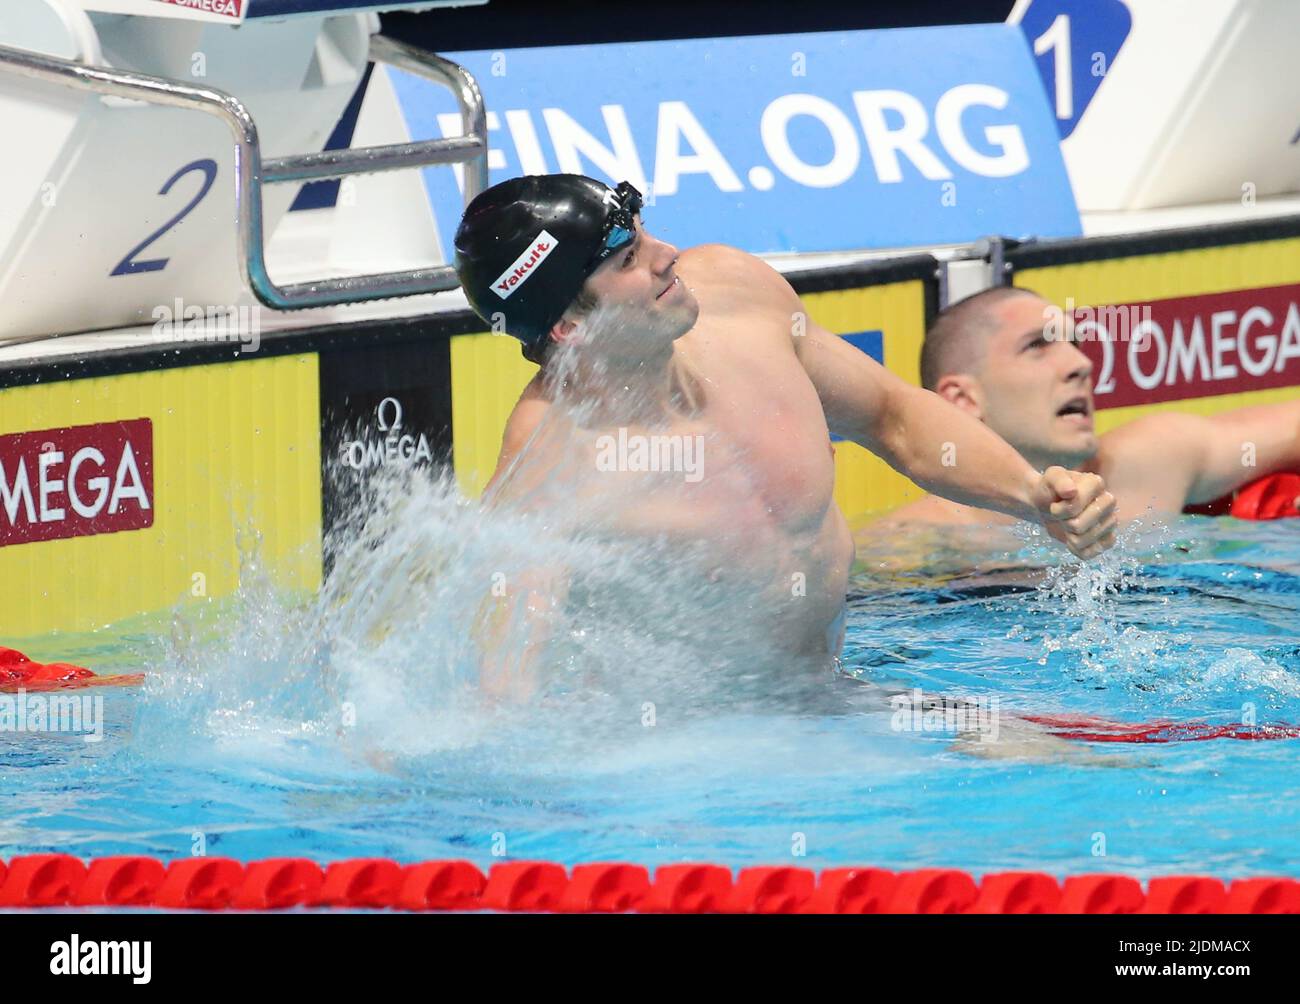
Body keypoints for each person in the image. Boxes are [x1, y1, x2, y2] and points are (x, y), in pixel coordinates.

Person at [453, 175, 1117, 677]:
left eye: (643, 229)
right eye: (627, 257)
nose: (666, 253)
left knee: (1068, 760)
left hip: (835, 700)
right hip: (701, 760)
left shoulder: (737, 299)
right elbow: (500, 696)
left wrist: (1032, 496)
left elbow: (895, 416)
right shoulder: (550, 469)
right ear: (570, 325)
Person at [873, 286, 1300, 532]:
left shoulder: (1149, 463)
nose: (1081, 363)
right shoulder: (915, 539)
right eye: (1038, 345)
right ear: (963, 400)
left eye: (1073, 344)